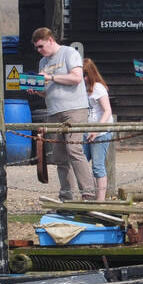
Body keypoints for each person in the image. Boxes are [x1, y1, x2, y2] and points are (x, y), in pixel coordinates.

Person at [29, 26, 94, 201]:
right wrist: (37, 89)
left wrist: (50, 78)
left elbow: (76, 78)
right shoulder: (43, 62)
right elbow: (48, 90)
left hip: (74, 109)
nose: (39, 50)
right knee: (59, 155)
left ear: (50, 40)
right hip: (54, 110)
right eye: (36, 48)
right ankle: (67, 194)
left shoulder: (68, 53)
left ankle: (88, 192)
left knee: (74, 149)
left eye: (41, 46)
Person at [82, 58, 114, 202]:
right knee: (80, 162)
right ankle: (87, 194)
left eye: (85, 74)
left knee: (97, 165)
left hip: (100, 131)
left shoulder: (98, 88)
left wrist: (97, 129)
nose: (83, 78)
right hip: (86, 130)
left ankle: (100, 201)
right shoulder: (80, 88)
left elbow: (107, 111)